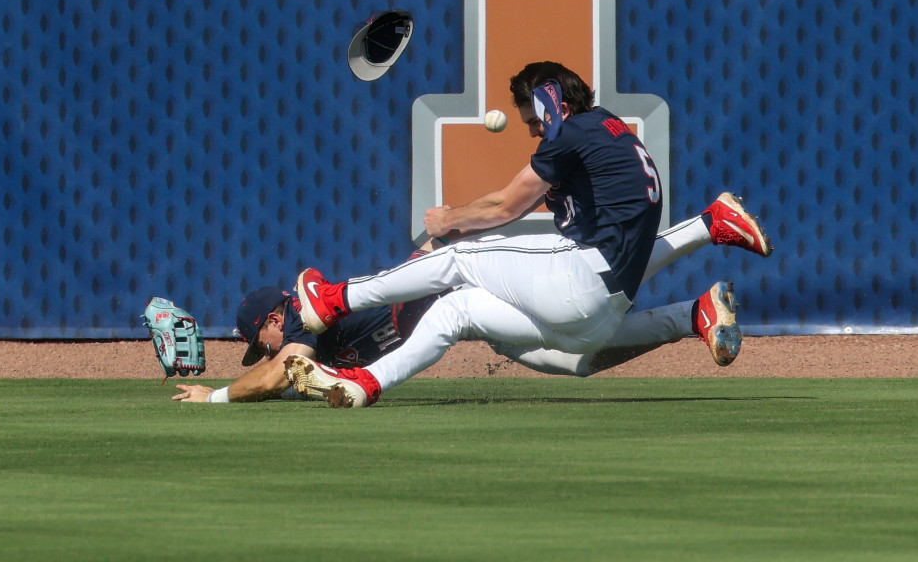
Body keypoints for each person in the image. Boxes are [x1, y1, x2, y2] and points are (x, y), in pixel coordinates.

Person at [284, 61, 772, 407]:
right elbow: (536, 202)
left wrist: (449, 219)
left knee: (460, 261)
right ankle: (367, 382)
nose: (533, 132)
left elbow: (504, 205)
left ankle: (332, 300)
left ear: (548, 101)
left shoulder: (575, 134)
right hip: (600, 314)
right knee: (458, 311)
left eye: (533, 120)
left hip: (579, 280)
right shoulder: (607, 133)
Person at [174, 199, 769, 403]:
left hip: (473, 287)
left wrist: (217, 397)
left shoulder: (302, 333)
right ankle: (692, 315)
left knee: (591, 287)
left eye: (260, 339)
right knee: (575, 355)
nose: (263, 349)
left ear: (274, 320)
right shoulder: (307, 347)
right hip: (471, 315)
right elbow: (286, 372)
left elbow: (280, 370)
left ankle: (707, 224)